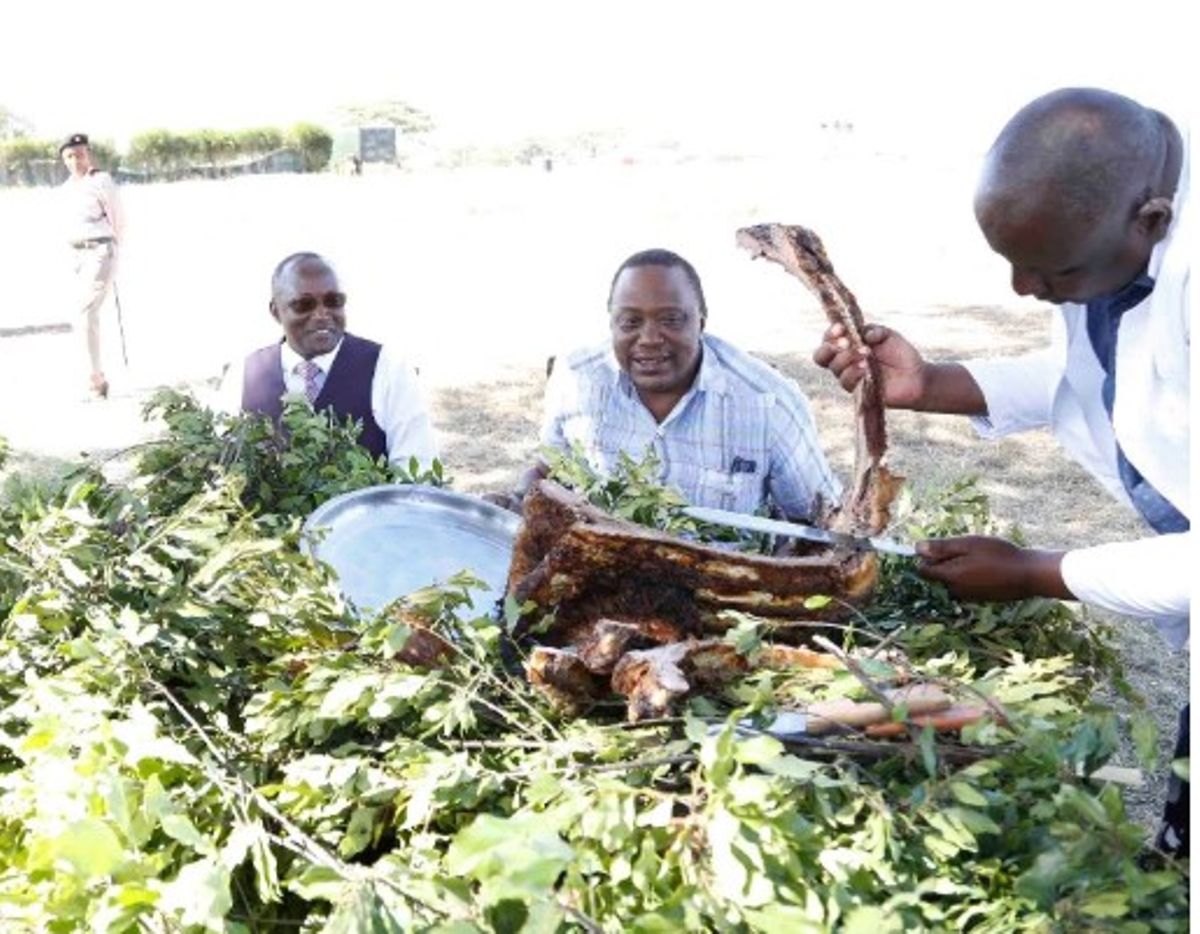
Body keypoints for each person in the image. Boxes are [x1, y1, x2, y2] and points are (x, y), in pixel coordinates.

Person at [814, 87, 1189, 856]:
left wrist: (1033, 571)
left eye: (1047, 268)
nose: (1023, 289)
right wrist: (932, 384)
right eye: (1013, 263)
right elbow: (1085, 373)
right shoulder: (1111, 249)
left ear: (1149, 220)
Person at [506, 248, 840, 519]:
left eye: (670, 320)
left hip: (728, 592)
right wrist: (518, 499)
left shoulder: (767, 402)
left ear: (701, 322)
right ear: (612, 324)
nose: (649, 339)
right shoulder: (576, 378)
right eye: (630, 322)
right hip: (603, 581)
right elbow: (550, 471)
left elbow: (822, 522)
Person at [219, 252, 438, 467]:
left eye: (334, 302)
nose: (322, 314)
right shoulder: (244, 374)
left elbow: (416, 472)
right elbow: (219, 462)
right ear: (276, 312)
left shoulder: (389, 369)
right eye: (304, 305)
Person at [61, 132, 124, 399]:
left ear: (89, 155)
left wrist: (115, 246)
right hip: (77, 254)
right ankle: (95, 373)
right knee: (81, 317)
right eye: (70, 156)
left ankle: (95, 379)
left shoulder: (101, 180)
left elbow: (118, 217)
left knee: (86, 313)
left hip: (100, 249)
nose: (76, 160)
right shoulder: (66, 189)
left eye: (81, 154)